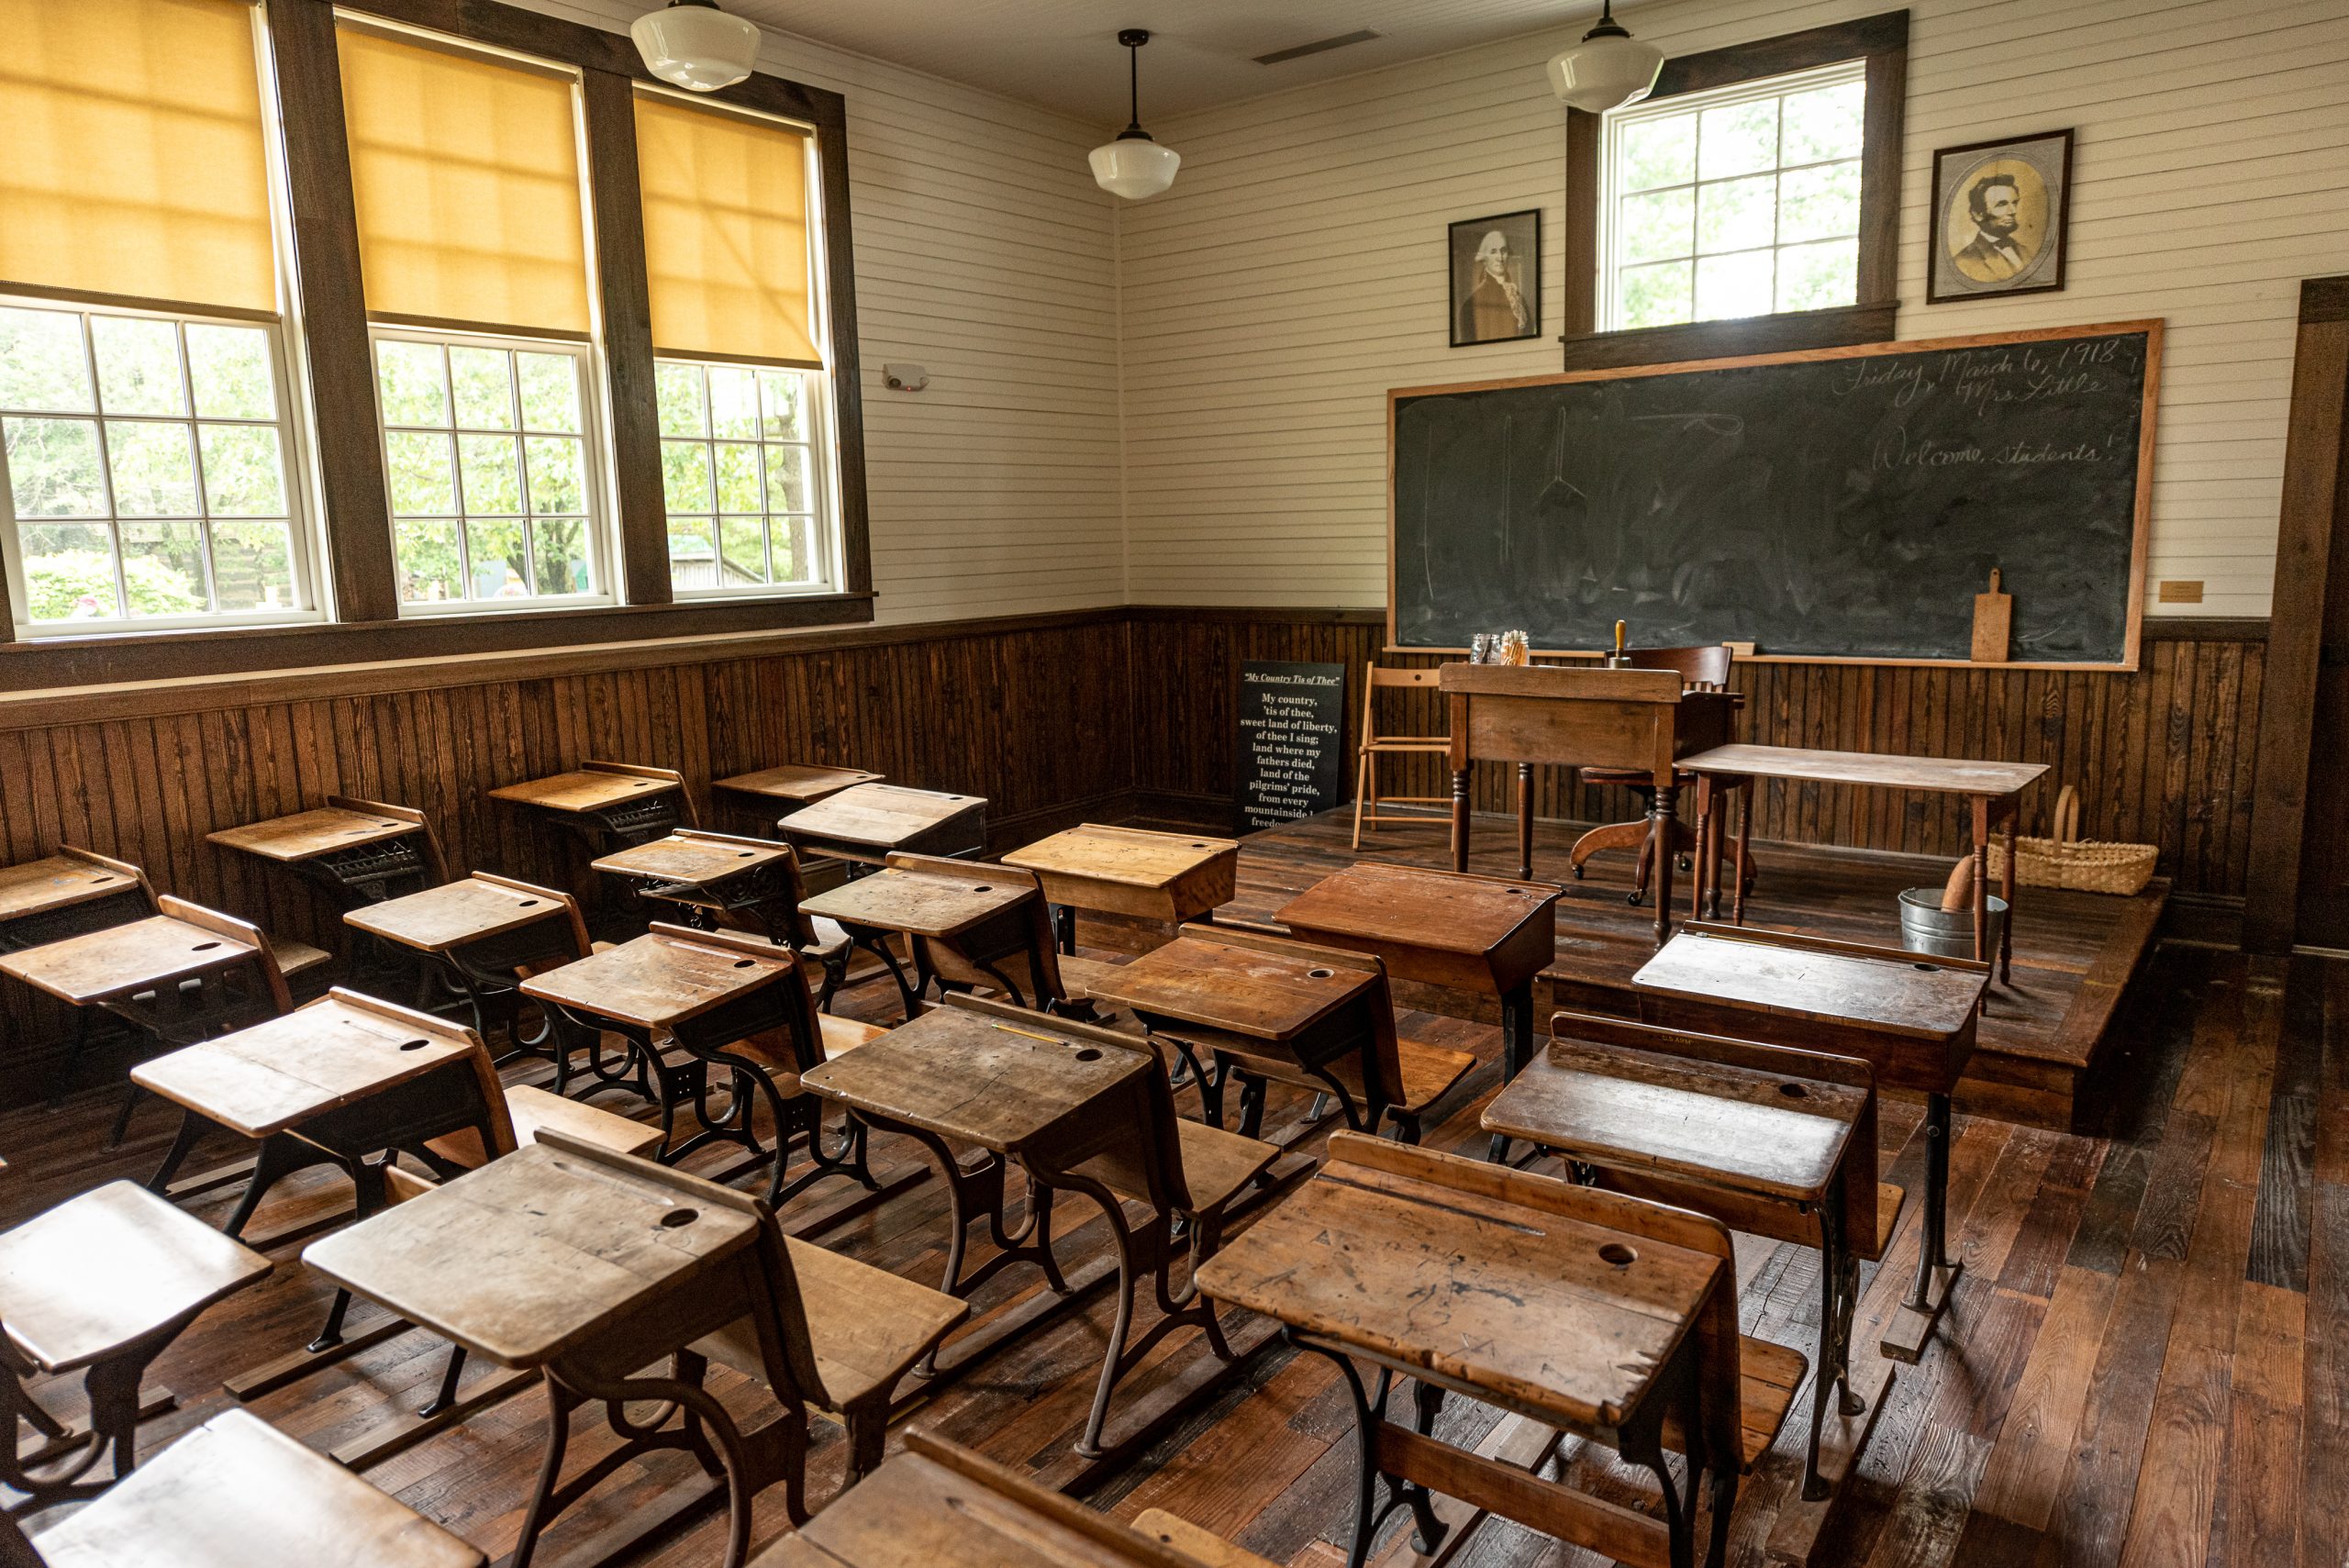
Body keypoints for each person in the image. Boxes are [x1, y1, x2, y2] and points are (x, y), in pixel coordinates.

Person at [1951, 172, 2033, 283]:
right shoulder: (1963, 262)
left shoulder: (2025, 251)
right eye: (2001, 204)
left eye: (2014, 203)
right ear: (1978, 214)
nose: (2013, 211)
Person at [1458, 228, 1531, 341]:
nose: (1500, 258)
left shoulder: (1520, 299)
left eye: (1503, 251)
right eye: (1493, 252)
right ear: (1485, 259)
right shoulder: (1470, 305)